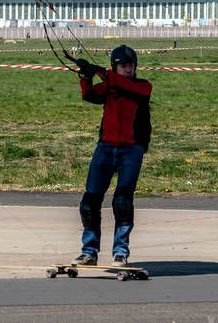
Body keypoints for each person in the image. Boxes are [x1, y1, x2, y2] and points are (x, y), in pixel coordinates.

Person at [72, 45, 152, 268]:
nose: (127, 69)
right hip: (105, 148)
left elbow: (123, 84)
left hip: (131, 150)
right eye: (123, 66)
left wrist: (103, 73)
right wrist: (86, 76)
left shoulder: (142, 87)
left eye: (130, 65)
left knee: (122, 200)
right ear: (115, 67)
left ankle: (120, 252)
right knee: (89, 202)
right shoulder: (110, 86)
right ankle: (89, 252)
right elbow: (89, 95)